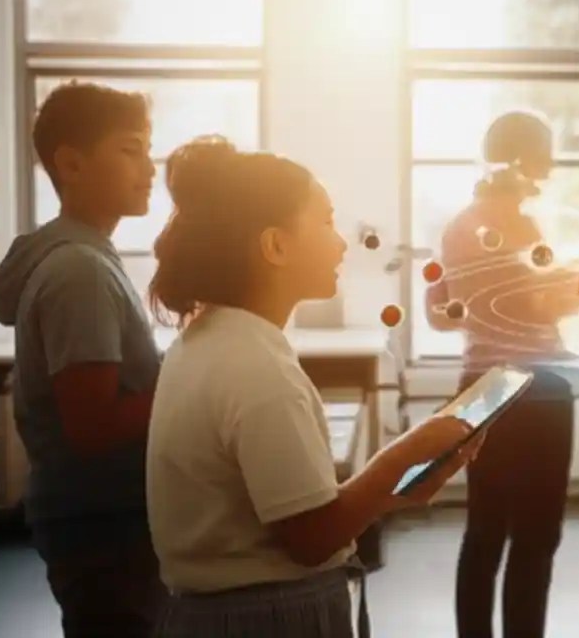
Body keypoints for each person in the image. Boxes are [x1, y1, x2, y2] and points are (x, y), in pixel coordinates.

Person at [145, 136, 476, 637]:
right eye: (325, 221)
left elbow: (295, 514)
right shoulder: (255, 365)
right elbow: (311, 538)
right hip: (268, 618)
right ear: (275, 245)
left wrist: (394, 493)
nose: (342, 242)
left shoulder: (208, 339)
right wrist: (402, 455)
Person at [0, 81, 165, 637]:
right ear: (71, 164)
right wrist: (185, 386)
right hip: (105, 528)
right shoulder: (78, 270)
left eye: (148, 150)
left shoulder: (88, 255)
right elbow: (91, 425)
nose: (149, 167)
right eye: (130, 150)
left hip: (102, 520)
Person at [425, 111, 579, 638]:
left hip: (480, 384)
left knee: (484, 530)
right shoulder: (523, 223)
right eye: (546, 151)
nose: (553, 163)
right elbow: (542, 304)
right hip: (535, 387)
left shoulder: (457, 224)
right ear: (525, 156)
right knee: (537, 536)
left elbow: (437, 313)